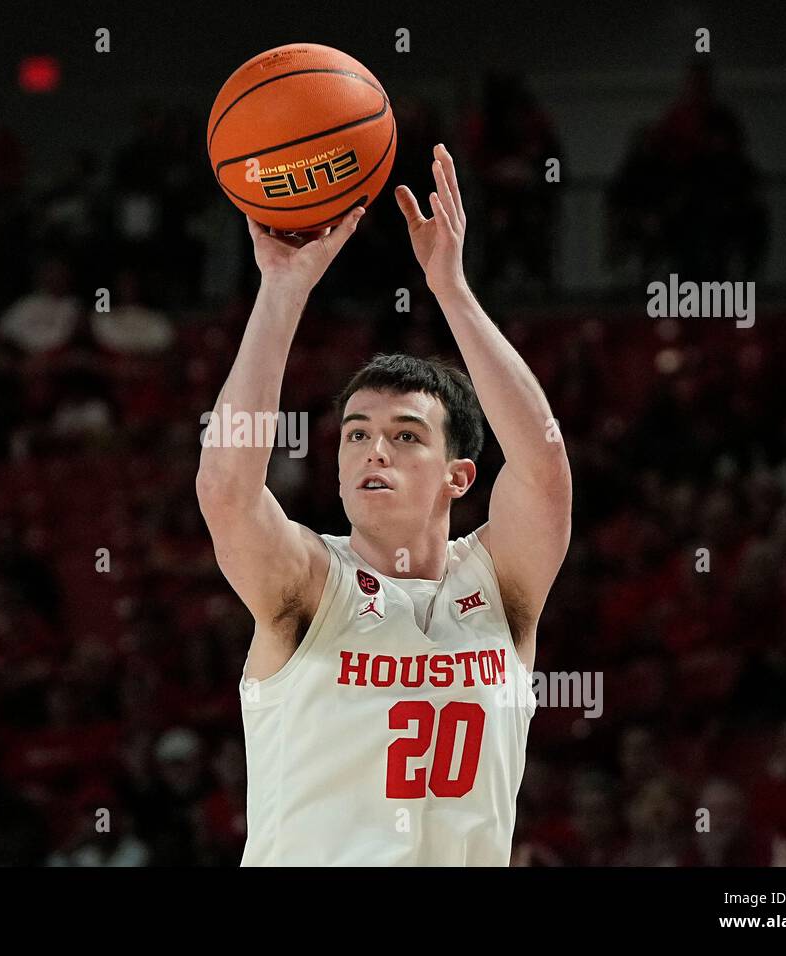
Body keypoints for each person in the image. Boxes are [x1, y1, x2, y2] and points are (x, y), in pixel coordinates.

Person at [195, 145, 572, 866]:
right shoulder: (309, 583)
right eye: (358, 434)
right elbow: (225, 489)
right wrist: (281, 290)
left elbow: (544, 466)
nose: (375, 451)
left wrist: (453, 291)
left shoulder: (503, 588)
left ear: (460, 477)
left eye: (406, 436)